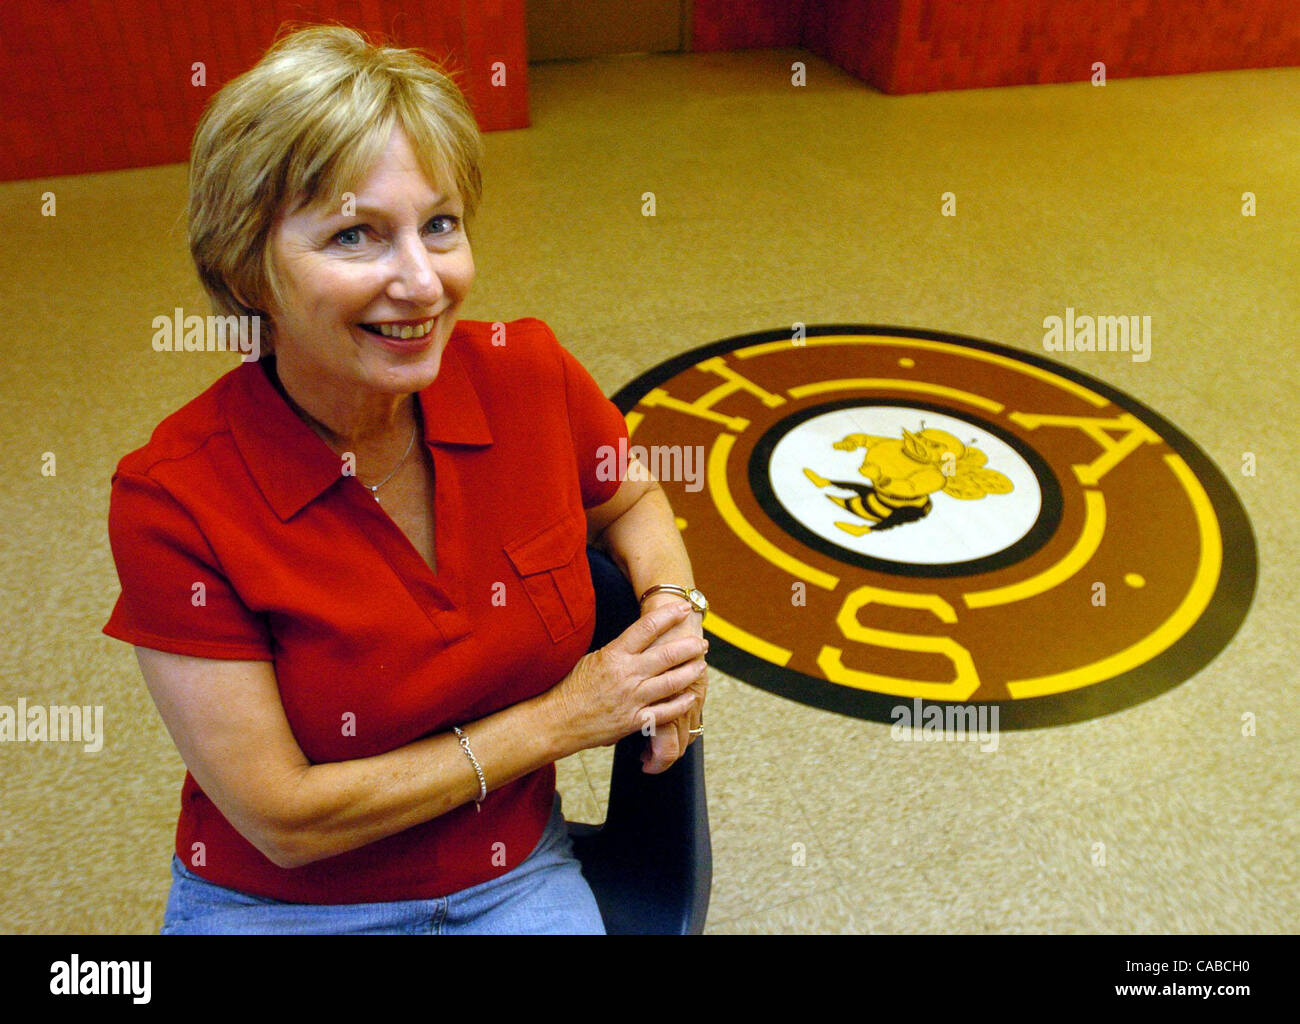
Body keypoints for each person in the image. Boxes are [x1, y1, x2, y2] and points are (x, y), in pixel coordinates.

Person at [102, 24, 709, 935]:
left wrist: (672, 615)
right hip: (282, 906)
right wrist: (564, 720)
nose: (423, 282)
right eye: (357, 235)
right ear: (246, 268)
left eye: (440, 225)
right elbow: (283, 820)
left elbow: (633, 499)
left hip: (510, 874)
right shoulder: (174, 502)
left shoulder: (527, 376)